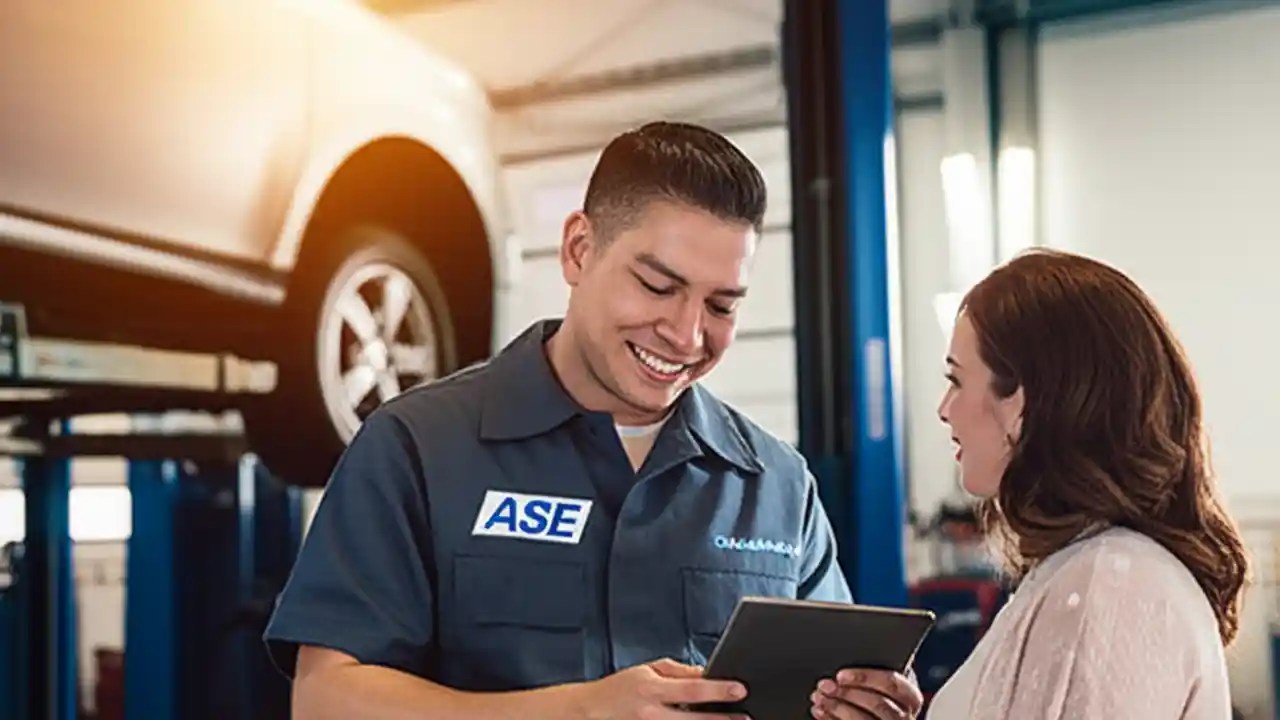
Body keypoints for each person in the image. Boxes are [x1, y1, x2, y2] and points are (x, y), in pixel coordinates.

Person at [263, 121, 923, 720]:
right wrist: (578, 712)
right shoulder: (418, 448)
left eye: (721, 306)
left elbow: (820, 686)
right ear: (579, 249)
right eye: (658, 287)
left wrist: (863, 704)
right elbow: (327, 699)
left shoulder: (775, 486)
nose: (687, 334)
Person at [927, 249, 1250, 718]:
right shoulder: (1087, 570)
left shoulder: (1108, 588)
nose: (944, 408)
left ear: (1024, 401)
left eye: (957, 380)